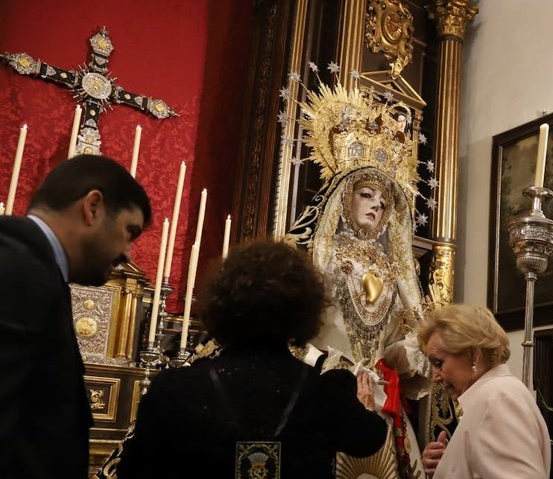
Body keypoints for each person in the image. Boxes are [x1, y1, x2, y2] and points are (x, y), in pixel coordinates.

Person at [116, 239, 387, 478]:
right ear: (304, 309)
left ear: (222, 304)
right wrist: (366, 409)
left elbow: (134, 470)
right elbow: (368, 439)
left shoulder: (175, 389)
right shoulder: (325, 391)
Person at [0, 155, 150, 478]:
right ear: (93, 207)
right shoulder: (18, 268)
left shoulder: (35, 267)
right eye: (129, 232)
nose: (128, 254)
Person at [290, 165, 432, 479]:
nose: (375, 206)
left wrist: (408, 353)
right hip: (323, 392)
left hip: (381, 403)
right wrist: (325, 364)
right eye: (366, 195)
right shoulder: (316, 257)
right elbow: (289, 331)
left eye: (382, 204)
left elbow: (396, 334)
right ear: (344, 198)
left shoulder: (392, 271)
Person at [418, 304, 550, 479]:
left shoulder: (497, 398)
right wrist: (450, 466)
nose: (435, 377)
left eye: (438, 363)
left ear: (473, 354)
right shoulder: (494, 395)